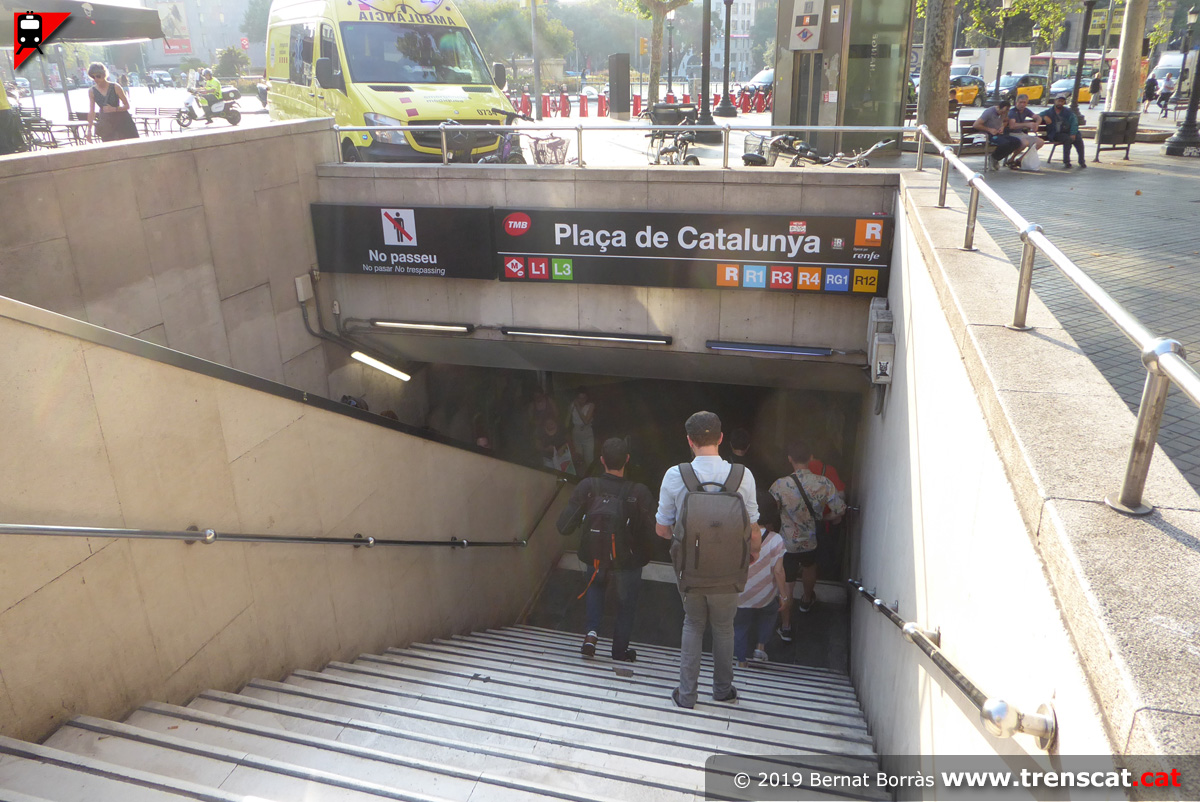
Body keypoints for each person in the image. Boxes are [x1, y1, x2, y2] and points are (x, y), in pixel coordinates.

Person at [656, 411, 759, 709]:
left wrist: (685, 540)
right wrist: (751, 553)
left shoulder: (676, 475)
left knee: (693, 623)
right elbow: (753, 529)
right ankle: (723, 691)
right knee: (725, 628)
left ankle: (687, 695)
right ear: (721, 438)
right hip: (729, 571)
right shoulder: (743, 476)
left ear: (689, 440)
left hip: (690, 570)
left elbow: (662, 529)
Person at [556, 437, 656, 662]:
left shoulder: (588, 487)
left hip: (595, 556)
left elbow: (563, 526)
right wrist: (642, 554)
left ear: (601, 460)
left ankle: (591, 635)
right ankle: (620, 651)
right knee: (626, 604)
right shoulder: (639, 492)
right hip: (627, 563)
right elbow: (655, 531)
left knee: (595, 586)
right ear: (627, 460)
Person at [769, 439, 845, 640]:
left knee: (787, 584)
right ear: (811, 458)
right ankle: (806, 599)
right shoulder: (824, 483)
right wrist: (823, 517)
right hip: (811, 540)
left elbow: (770, 512)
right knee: (810, 567)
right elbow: (839, 510)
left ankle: (786, 627)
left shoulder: (779, 485)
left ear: (789, 459)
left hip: (787, 544)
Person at [734, 497, 788, 667]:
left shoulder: (736, 535)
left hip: (739, 594)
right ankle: (760, 648)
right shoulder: (776, 539)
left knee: (740, 625)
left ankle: (741, 661)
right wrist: (784, 597)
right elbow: (778, 571)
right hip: (765, 595)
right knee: (771, 612)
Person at [86, 62, 139, 143]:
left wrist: (114, 109)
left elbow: (127, 106)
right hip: (106, 124)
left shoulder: (115, 87)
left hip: (122, 122)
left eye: (98, 76)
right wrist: (89, 130)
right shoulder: (92, 91)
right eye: (93, 77)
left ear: (103, 75)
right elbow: (91, 112)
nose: (96, 79)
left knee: (131, 146)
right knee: (111, 150)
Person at [973, 99, 1021, 170]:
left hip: (998, 134)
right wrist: (990, 129)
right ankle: (993, 157)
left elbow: (1006, 120)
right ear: (998, 107)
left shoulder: (1005, 113)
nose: (1003, 114)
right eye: (1002, 112)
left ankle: (996, 158)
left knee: (1016, 142)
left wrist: (1002, 126)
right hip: (988, 134)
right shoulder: (989, 112)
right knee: (1005, 143)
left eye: (1005, 112)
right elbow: (976, 125)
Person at [1043, 95, 1086, 169]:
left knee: (1078, 139)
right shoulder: (1049, 111)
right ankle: (1066, 162)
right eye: (1058, 101)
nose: (1060, 103)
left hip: (1067, 132)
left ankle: (1081, 161)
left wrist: (1073, 133)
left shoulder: (1068, 112)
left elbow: (1074, 123)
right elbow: (1038, 115)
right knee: (1067, 139)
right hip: (1055, 134)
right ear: (1055, 101)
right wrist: (1044, 117)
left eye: (1062, 101)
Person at [1005, 94, 1044, 170]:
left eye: (1024, 102)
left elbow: (1038, 117)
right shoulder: (1012, 112)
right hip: (1012, 134)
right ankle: (1011, 159)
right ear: (1016, 102)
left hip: (1021, 134)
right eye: (1020, 102)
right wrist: (1027, 124)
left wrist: (1036, 124)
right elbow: (1012, 126)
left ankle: (1020, 159)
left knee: (1040, 142)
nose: (1022, 104)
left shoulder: (1026, 110)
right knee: (1024, 143)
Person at [569, 390, 596, 473]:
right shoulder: (572, 405)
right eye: (579, 398)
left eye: (583, 398)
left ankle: (591, 477)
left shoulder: (590, 405)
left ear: (587, 398)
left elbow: (586, 421)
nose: (581, 400)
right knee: (579, 459)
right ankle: (581, 477)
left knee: (589, 459)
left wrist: (578, 408)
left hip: (587, 435)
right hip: (576, 434)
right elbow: (567, 420)